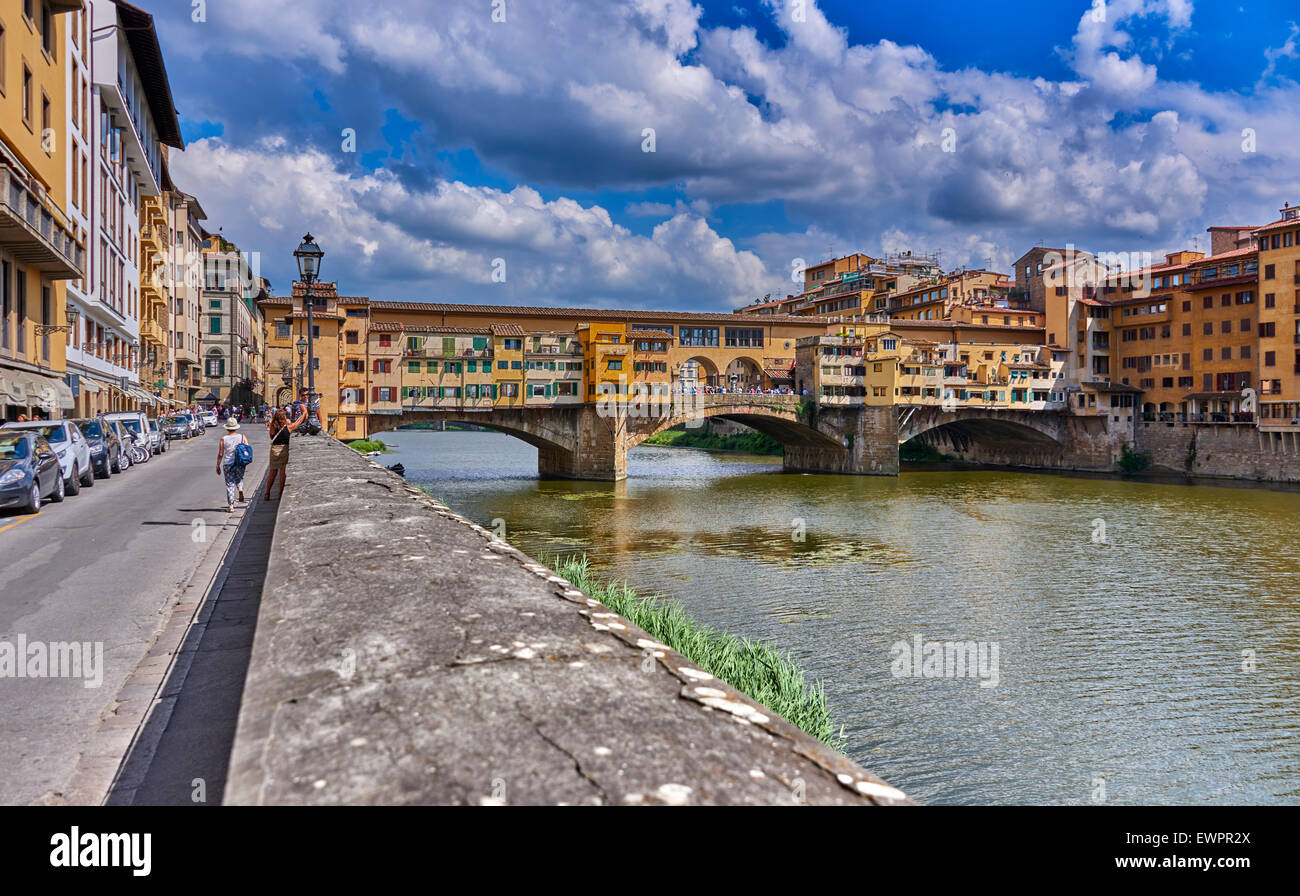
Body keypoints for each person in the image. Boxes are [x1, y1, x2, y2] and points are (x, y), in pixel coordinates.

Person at [265, 405, 308, 500]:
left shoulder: (272, 427)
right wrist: (304, 413)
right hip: (284, 449)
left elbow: (271, 437)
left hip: (274, 450)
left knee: (272, 472)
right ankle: (280, 494)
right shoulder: (288, 428)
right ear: (284, 417)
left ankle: (267, 493)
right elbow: (298, 422)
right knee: (282, 473)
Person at [216, 418, 250, 512]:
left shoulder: (223, 439)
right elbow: (247, 448)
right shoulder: (242, 436)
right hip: (240, 462)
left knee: (229, 484)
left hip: (228, 463)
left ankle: (231, 506)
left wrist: (218, 465)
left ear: (227, 428)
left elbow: (220, 454)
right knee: (239, 478)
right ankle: (240, 488)